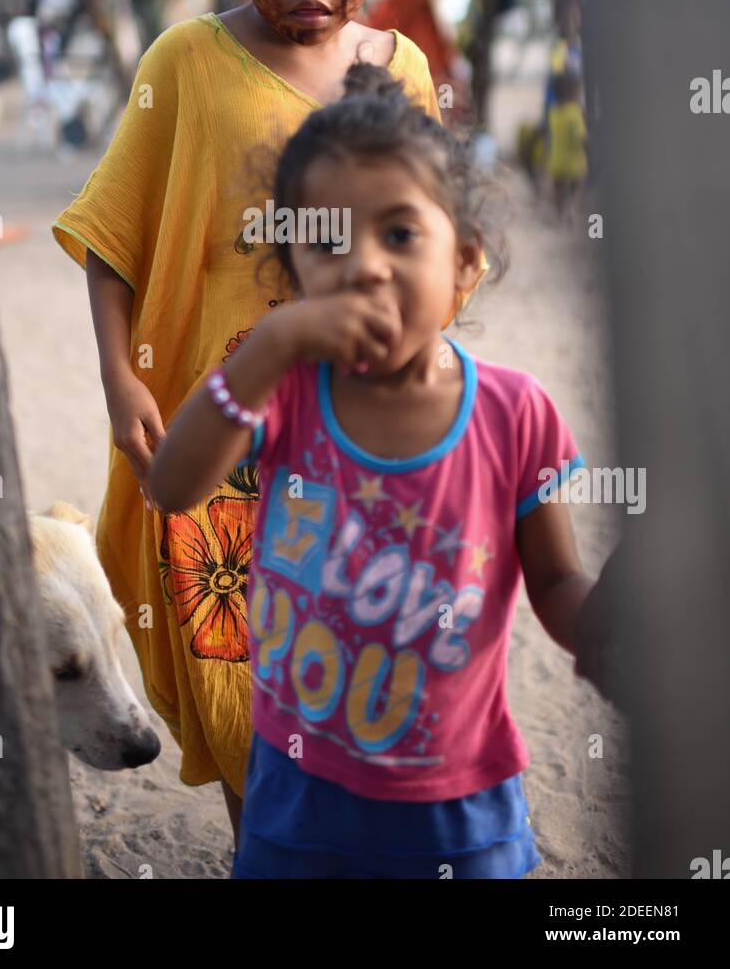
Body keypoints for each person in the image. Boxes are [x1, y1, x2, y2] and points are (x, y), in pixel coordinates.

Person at [51, 0, 485, 843]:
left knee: (368, 670)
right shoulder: (187, 64)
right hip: (225, 450)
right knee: (245, 686)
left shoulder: (405, 67)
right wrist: (121, 377)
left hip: (366, 444)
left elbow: (434, 244)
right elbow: (115, 233)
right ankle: (270, 850)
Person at [148, 62, 609, 879]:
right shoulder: (285, 391)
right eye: (326, 240)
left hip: (457, 817)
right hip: (296, 803)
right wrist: (271, 346)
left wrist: (609, 635)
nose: (362, 265)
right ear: (292, 271)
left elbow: (556, 582)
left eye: (399, 234)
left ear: (465, 262)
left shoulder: (514, 413)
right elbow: (172, 485)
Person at [547, 69, 588, 223]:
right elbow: (579, 137)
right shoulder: (574, 112)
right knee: (577, 186)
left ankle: (559, 214)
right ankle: (573, 208)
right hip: (575, 162)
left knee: (558, 189)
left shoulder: (553, 111)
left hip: (556, 161)